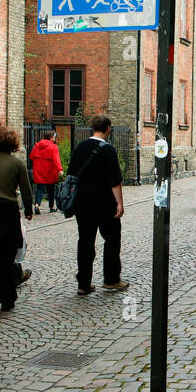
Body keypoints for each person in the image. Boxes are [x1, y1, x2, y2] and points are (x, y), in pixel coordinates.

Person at [68, 114, 126, 295]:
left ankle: (84, 283)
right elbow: (114, 180)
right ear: (108, 128)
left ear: (93, 128)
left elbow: (71, 174)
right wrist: (120, 203)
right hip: (104, 203)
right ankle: (111, 279)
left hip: (82, 203)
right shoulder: (108, 150)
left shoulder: (80, 148)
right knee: (111, 240)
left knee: (85, 241)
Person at [0, 126, 33, 313]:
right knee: (8, 255)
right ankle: (7, 297)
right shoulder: (17, 164)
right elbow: (26, 190)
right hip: (8, 211)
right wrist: (28, 209)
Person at [28, 131, 63, 214]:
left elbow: (31, 156)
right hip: (50, 170)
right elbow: (56, 159)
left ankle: (37, 204)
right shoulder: (53, 147)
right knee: (51, 189)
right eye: (54, 137)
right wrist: (60, 169)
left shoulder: (37, 146)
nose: (55, 138)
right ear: (51, 138)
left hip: (39, 170)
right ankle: (51, 206)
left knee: (40, 188)